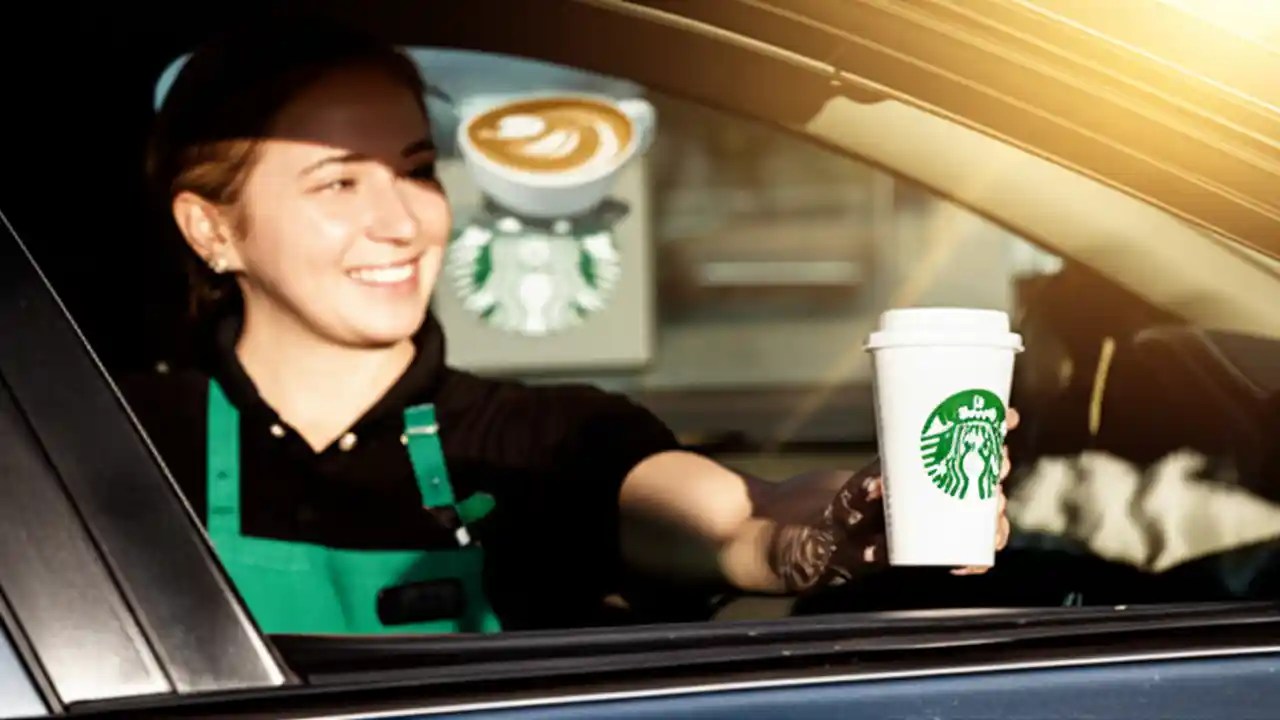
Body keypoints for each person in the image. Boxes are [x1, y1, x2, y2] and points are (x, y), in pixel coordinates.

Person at [122, 17, 1015, 635]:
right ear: (211, 228)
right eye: (338, 183)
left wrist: (839, 529)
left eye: (417, 168)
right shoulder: (114, 445)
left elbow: (741, 515)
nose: (406, 221)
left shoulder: (542, 441)